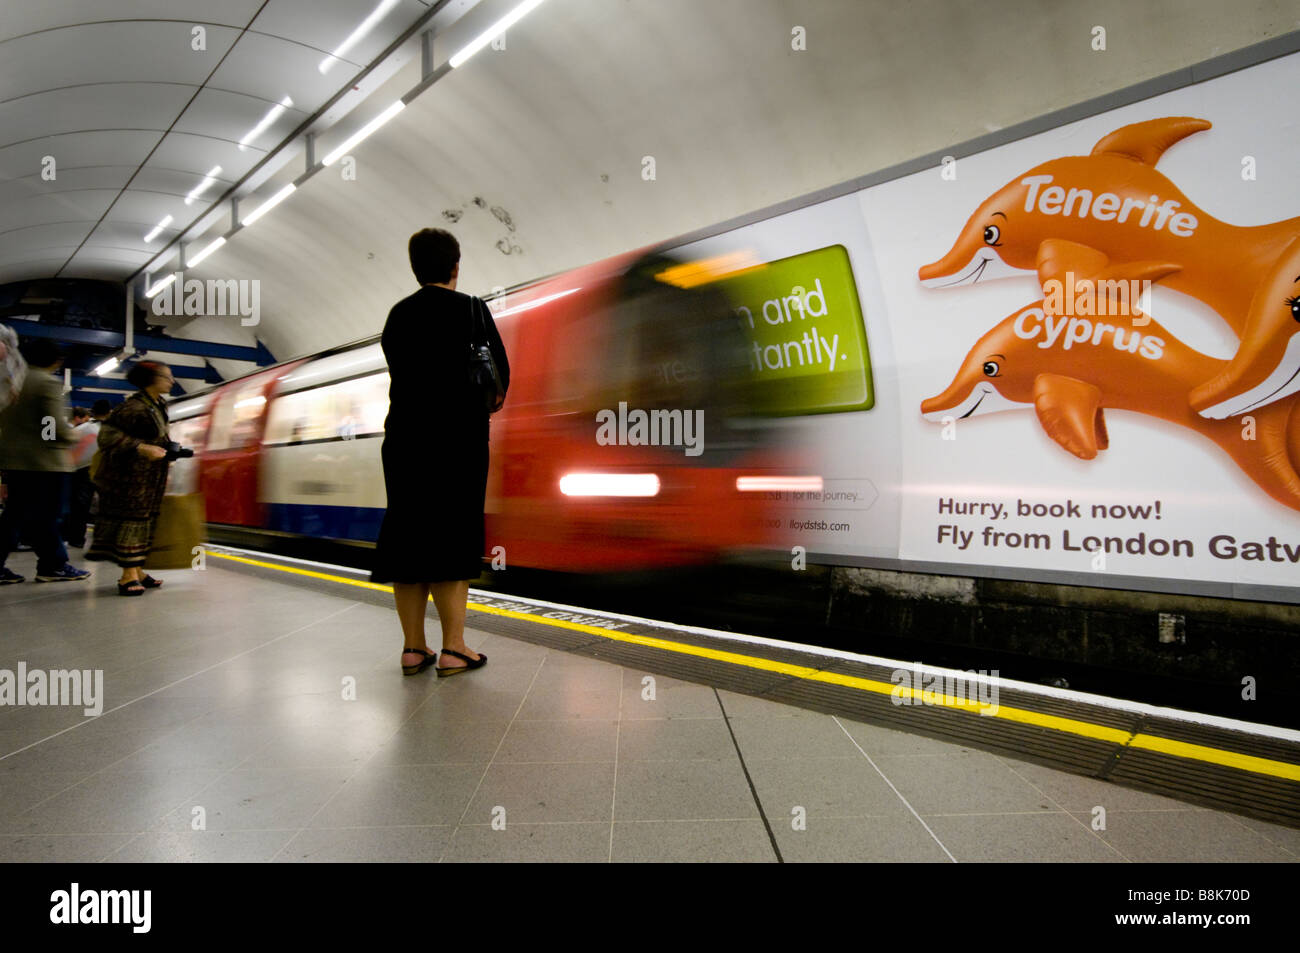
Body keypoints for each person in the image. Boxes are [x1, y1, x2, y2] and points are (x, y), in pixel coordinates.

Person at [371, 228, 509, 676]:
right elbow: (499, 381)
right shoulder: (472, 309)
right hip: (458, 442)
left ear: (415, 268)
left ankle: (413, 648)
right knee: (452, 534)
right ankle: (454, 648)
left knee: (408, 536)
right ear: (455, 265)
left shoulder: (397, 315)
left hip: (405, 441)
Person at [0, 339, 91, 584]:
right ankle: (53, 565)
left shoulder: (12, 382)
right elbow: (50, 426)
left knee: (14, 515)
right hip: (44, 463)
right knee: (47, 516)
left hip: (16, 461)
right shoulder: (46, 383)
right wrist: (73, 436)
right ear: (55, 360)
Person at [84, 362, 174, 595]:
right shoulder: (133, 407)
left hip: (148, 478)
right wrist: (141, 448)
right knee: (131, 522)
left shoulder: (157, 405)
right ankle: (127, 576)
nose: (172, 381)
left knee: (143, 522)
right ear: (152, 379)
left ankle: (138, 571)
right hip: (128, 478)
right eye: (167, 377)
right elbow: (107, 436)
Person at [63, 406, 101, 547]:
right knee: (81, 504)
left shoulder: (83, 429)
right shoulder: (92, 429)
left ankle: (74, 537)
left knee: (77, 504)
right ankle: (76, 538)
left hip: (77, 470)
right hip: (87, 469)